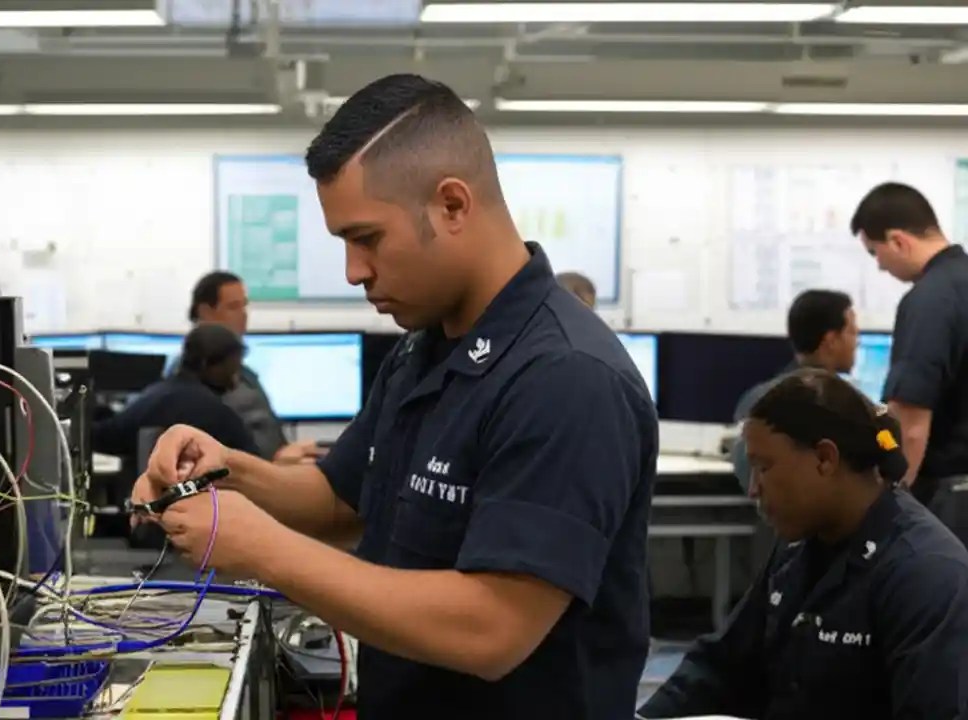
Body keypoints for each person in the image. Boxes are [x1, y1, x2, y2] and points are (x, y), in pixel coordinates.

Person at [136, 74, 658, 719]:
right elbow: (340, 499)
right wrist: (227, 470)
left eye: (367, 239)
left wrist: (262, 549)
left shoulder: (566, 378)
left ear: (453, 206)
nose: (354, 271)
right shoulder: (423, 347)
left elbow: (492, 630)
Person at [639, 369, 968, 720]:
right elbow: (720, 666)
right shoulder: (798, 549)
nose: (753, 489)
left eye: (764, 467)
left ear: (824, 458)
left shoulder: (926, 574)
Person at [853, 181, 968, 545]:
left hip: (949, 500)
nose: (879, 266)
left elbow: (910, 422)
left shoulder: (929, 300)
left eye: (875, 252)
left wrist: (886, 503)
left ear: (899, 241)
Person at [730, 289, 859, 490]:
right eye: (852, 333)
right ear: (831, 341)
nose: (857, 341)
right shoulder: (838, 408)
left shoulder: (753, 399)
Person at [188, 271, 319, 464]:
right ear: (205, 312)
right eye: (233, 307)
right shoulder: (195, 374)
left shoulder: (242, 372)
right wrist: (277, 462)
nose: (243, 315)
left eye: (244, 305)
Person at [92, 323, 259, 459]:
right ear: (206, 364)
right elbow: (253, 465)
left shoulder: (153, 395)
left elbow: (105, 434)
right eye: (232, 367)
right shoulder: (217, 415)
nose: (235, 378)